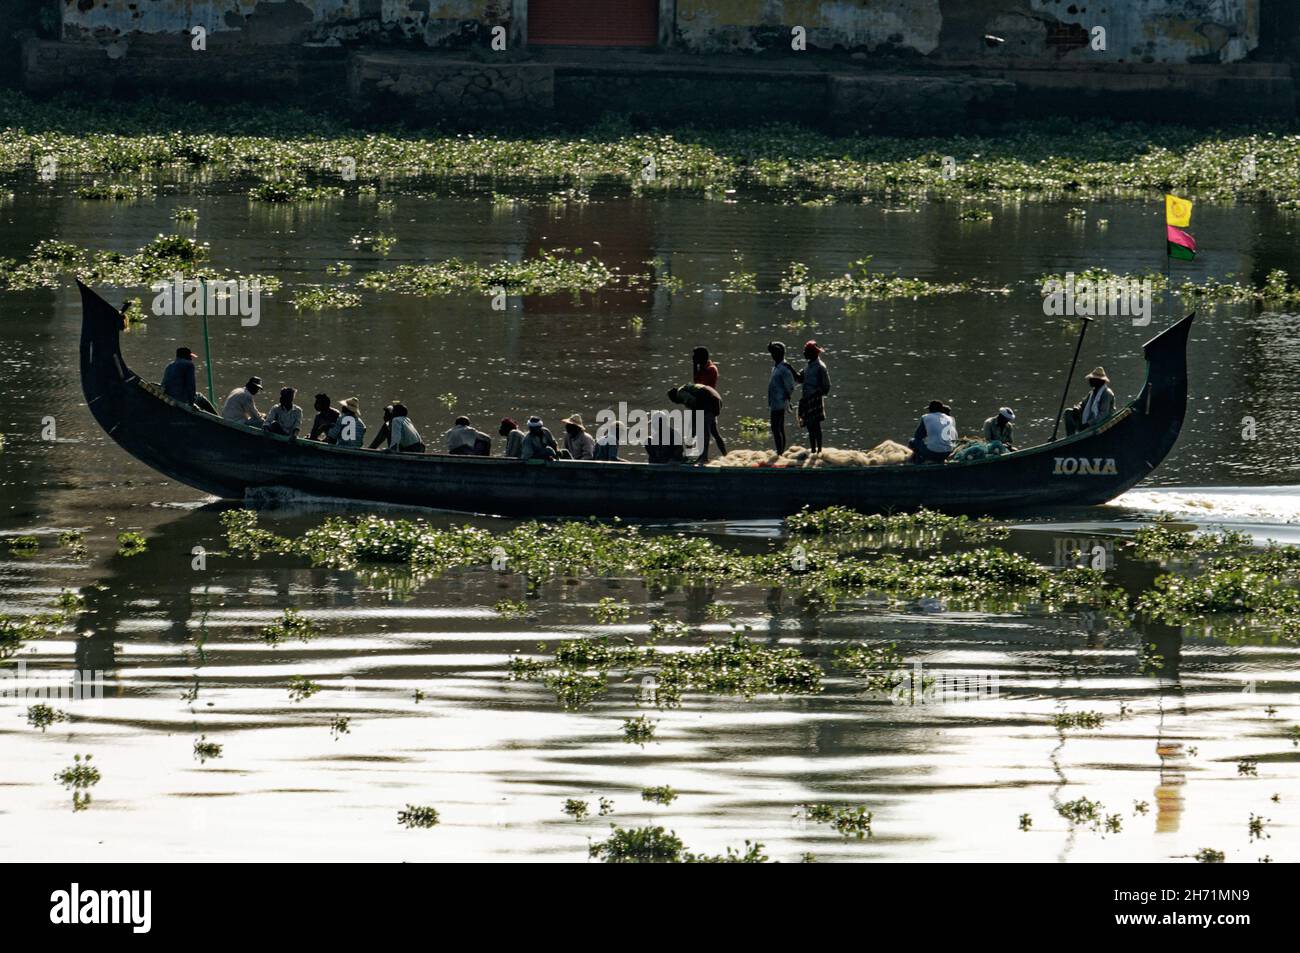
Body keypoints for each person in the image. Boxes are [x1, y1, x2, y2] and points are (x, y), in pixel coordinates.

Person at [667, 383, 725, 463]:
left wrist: (694, 423)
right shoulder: (687, 387)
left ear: (674, 398)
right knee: (714, 432)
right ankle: (726, 455)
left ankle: (703, 458)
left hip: (708, 400)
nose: (677, 403)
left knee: (704, 432)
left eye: (674, 401)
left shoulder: (680, 392)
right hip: (716, 399)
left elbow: (694, 403)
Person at [766, 341, 800, 455]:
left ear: (779, 354)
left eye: (774, 353)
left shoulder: (784, 369)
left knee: (776, 427)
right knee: (779, 427)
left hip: (779, 402)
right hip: (776, 401)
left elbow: (790, 386)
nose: (772, 356)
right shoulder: (777, 367)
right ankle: (780, 451)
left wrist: (786, 397)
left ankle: (780, 452)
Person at [798, 340, 831, 454]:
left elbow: (827, 385)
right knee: (809, 426)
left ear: (813, 353)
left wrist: (818, 394)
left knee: (815, 426)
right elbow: (800, 378)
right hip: (807, 398)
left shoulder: (820, 367)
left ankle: (819, 450)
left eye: (806, 351)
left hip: (815, 398)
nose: (804, 353)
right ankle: (813, 450)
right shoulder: (808, 366)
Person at [1066, 367, 1115, 435]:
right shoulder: (1092, 393)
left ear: (1099, 381)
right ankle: (1071, 436)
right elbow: (1083, 404)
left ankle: (1080, 433)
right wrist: (1077, 407)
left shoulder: (1107, 393)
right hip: (1090, 421)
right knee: (1068, 412)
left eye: (1092, 379)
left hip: (1101, 424)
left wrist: (1088, 424)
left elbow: (1103, 414)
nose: (1090, 381)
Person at [909, 400, 958, 464]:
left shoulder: (926, 417)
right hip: (948, 452)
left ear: (930, 410)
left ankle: (918, 463)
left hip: (933, 452)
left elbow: (918, 436)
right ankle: (940, 460)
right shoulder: (950, 418)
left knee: (913, 441)